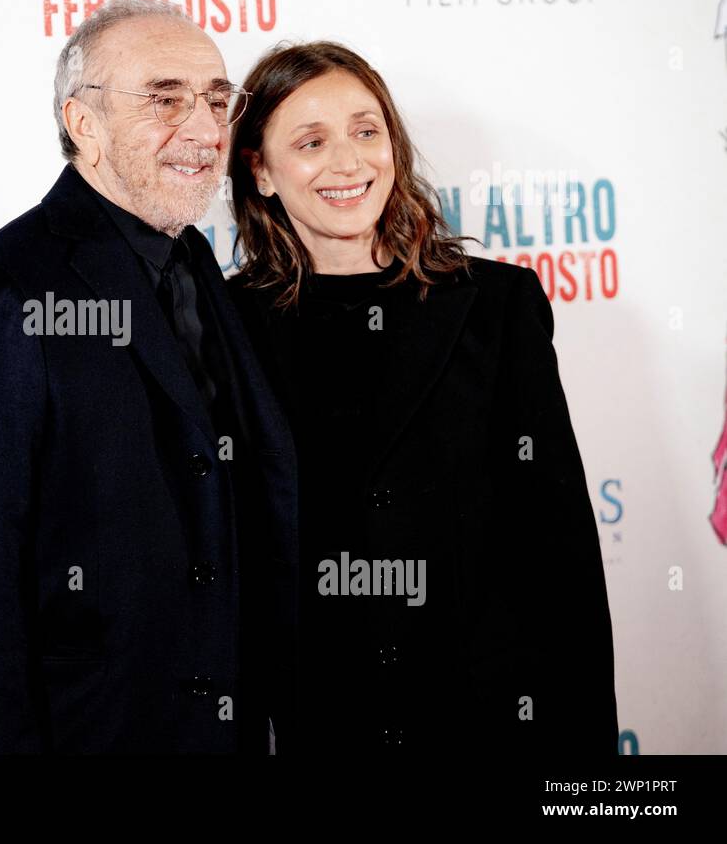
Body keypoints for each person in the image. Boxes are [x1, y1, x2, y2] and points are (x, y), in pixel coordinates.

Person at [0, 0, 298, 753]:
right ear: (82, 125)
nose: (207, 129)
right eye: (165, 98)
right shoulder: (0, 293)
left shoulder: (195, 260)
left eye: (217, 99)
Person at [226, 40, 619, 754]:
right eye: (311, 142)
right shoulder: (224, 326)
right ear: (260, 170)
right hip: (316, 723)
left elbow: (558, 550)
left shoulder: (494, 306)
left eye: (366, 131)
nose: (348, 162)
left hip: (483, 720)